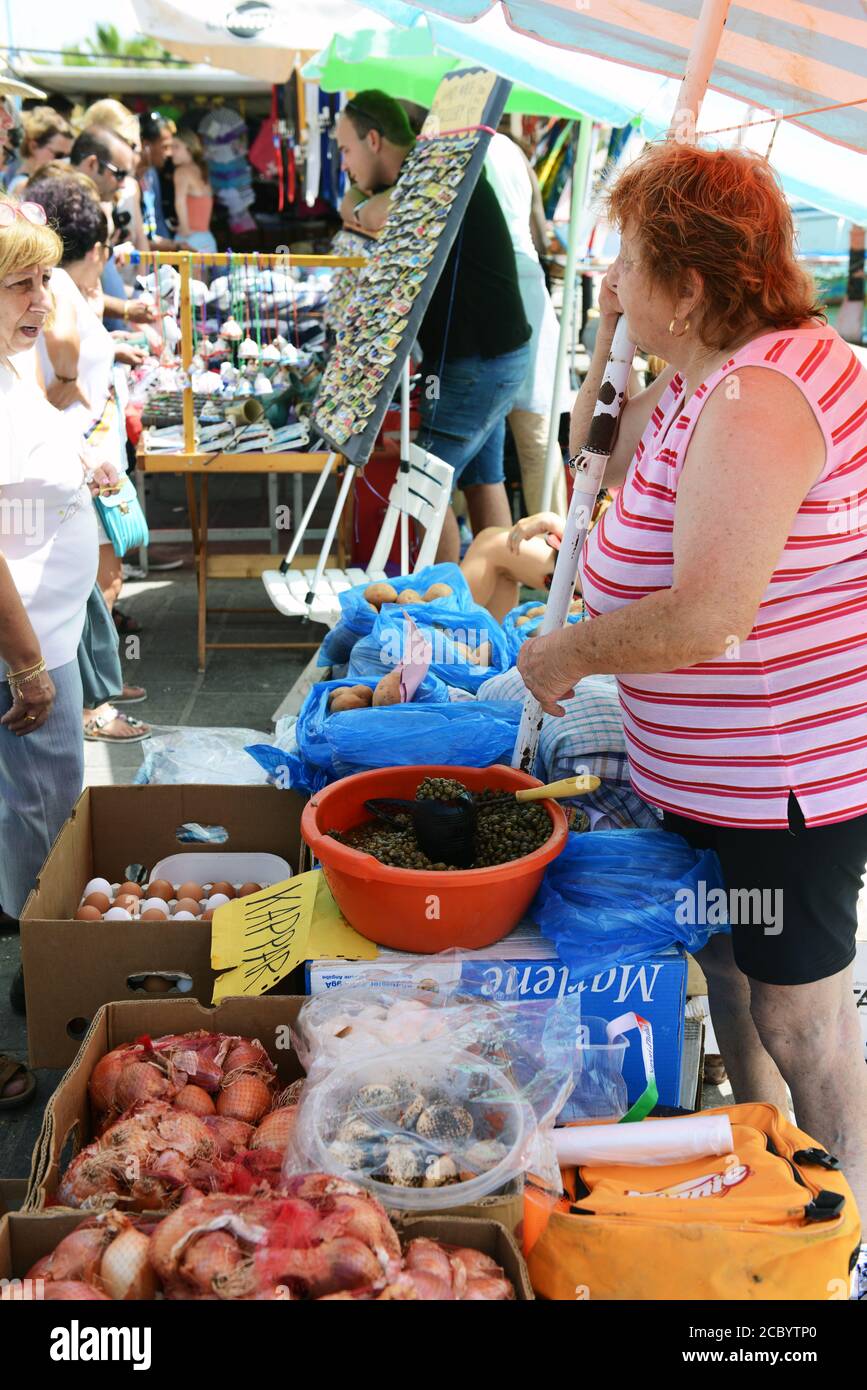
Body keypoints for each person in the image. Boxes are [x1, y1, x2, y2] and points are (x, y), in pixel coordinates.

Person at [517, 143, 867, 1219]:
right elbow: (593, 452)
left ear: (694, 285)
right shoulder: (699, 376)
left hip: (783, 779)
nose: (615, 274)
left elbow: (715, 619)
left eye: (632, 260)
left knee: (800, 1018)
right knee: (730, 977)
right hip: (717, 781)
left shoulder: (761, 393)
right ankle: (774, 1189)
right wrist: (608, 333)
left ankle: (846, 1225)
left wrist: (568, 654)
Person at [0, 196, 117, 1003]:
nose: (43, 298)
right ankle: (46, 980)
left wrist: (79, 469)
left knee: (40, 816)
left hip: (48, 632)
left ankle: (40, 968)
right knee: (39, 827)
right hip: (26, 644)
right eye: (21, 284)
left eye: (44, 279)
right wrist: (29, 666)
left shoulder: (10, 365)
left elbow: (19, 495)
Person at [335, 91, 531, 564]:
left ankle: (442, 608)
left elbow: (372, 212)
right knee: (482, 481)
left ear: (375, 140)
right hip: (492, 355)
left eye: (345, 150)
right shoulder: (433, 166)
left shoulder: (433, 173)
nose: (343, 164)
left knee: (424, 484)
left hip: (478, 361)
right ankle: (496, 609)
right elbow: (355, 203)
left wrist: (359, 209)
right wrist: (359, 202)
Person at [27, 175, 151, 744]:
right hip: (68, 459)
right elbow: (59, 364)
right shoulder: (53, 292)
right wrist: (69, 394)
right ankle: (88, 706)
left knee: (91, 585)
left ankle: (92, 694)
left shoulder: (61, 291)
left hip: (74, 453)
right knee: (88, 587)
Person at [485, 130, 566, 516]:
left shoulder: (468, 145)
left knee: (484, 452)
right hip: (530, 286)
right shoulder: (515, 152)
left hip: (491, 294)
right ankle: (556, 567)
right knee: (537, 442)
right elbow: (540, 230)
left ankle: (492, 560)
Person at [7, 107, 74, 195]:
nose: (64, 162)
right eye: (59, 155)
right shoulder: (23, 187)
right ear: (33, 146)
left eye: (68, 156)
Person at [170, 128, 215, 253]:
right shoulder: (201, 170)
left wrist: (184, 229)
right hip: (207, 238)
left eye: (176, 147)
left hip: (190, 239)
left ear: (189, 149)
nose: (171, 152)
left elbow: (179, 202)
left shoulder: (181, 171)